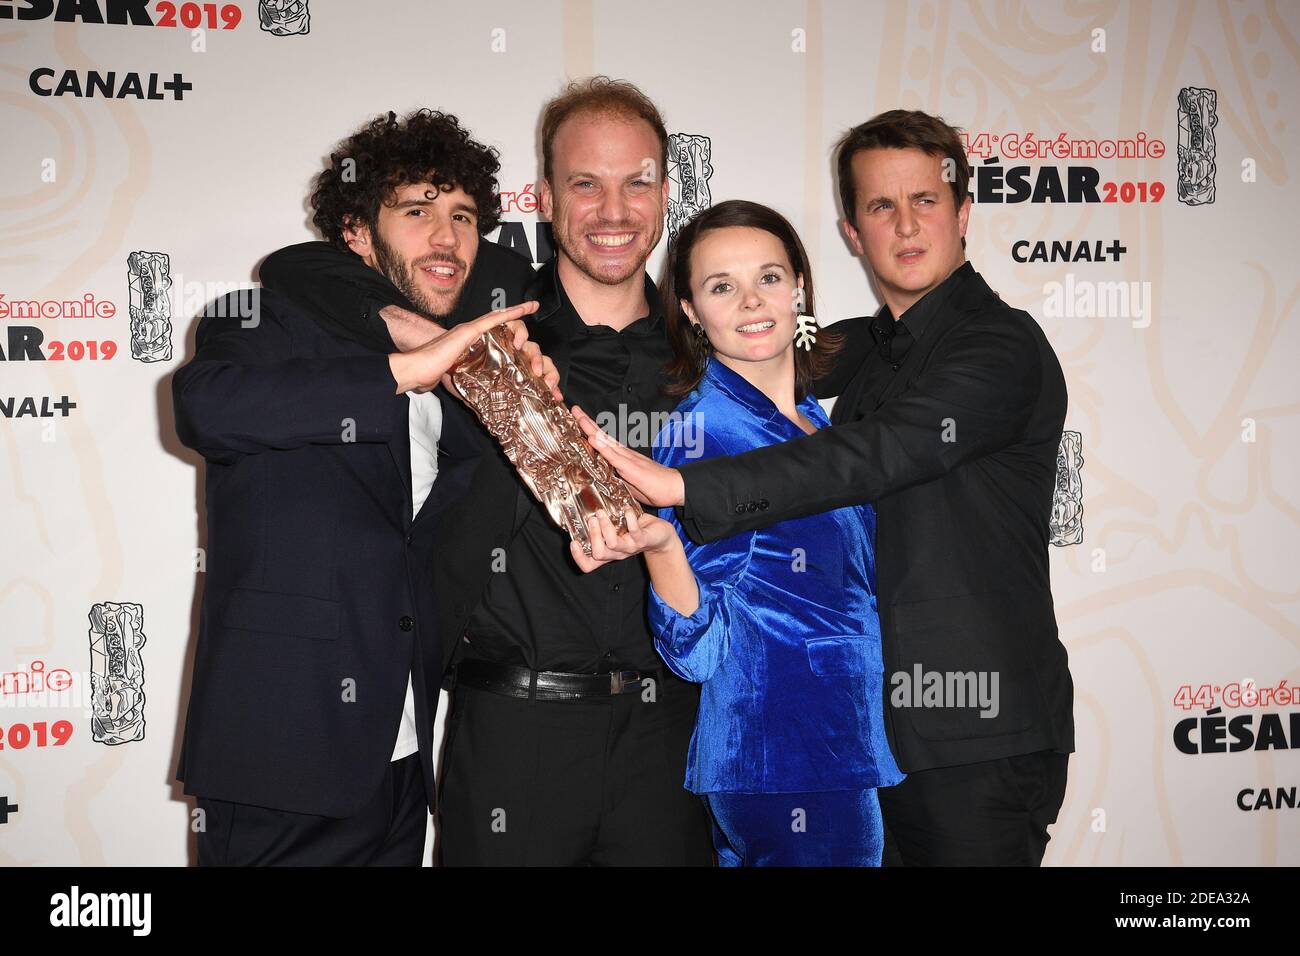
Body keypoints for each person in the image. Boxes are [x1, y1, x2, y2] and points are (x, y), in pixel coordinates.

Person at [574, 109, 1074, 866]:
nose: (905, 225)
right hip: (869, 743)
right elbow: (747, 339)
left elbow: (875, 453)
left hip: (977, 734)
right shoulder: (871, 350)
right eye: (881, 206)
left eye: (927, 200)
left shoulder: (999, 346)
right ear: (852, 232)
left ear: (964, 211)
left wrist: (684, 484)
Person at [258, 78, 713, 865]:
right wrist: (414, 329)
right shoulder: (482, 307)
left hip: (673, 738)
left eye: (637, 182)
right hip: (511, 735)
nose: (614, 211)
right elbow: (300, 268)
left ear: (666, 193)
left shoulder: (711, 343)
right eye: (585, 184)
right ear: (543, 197)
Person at [173, 108, 555, 865]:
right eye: (416, 211)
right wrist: (400, 369)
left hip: (402, 761)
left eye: (463, 217)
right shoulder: (266, 324)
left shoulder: (466, 365)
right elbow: (204, 406)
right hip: (281, 754)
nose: (446, 238)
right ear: (355, 231)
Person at [575, 200, 905, 865]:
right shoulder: (710, 434)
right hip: (789, 762)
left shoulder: (815, 419)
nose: (752, 301)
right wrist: (666, 547)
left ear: (801, 288)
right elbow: (694, 652)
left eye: (769, 277)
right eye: (722, 286)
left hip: (823, 751)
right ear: (691, 310)